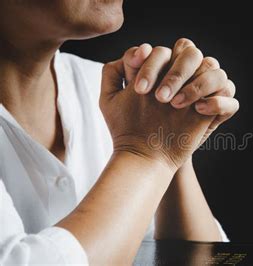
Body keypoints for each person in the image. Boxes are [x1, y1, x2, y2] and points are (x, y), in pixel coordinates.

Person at [0, 0, 239, 265]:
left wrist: (171, 146)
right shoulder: (124, 106)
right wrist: (146, 153)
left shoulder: (115, 97)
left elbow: (210, 261)